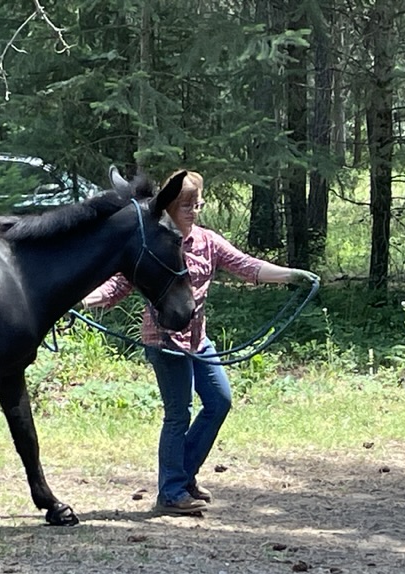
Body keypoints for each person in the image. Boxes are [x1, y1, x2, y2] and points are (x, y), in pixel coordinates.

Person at [81, 170, 317, 516]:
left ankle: (182, 475)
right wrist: (88, 298)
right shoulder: (157, 242)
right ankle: (172, 492)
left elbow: (247, 266)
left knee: (219, 401)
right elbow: (119, 285)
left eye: (198, 204)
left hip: (198, 339)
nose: (195, 211)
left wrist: (291, 275)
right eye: (187, 205)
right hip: (164, 340)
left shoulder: (208, 242)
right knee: (178, 414)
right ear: (170, 208)